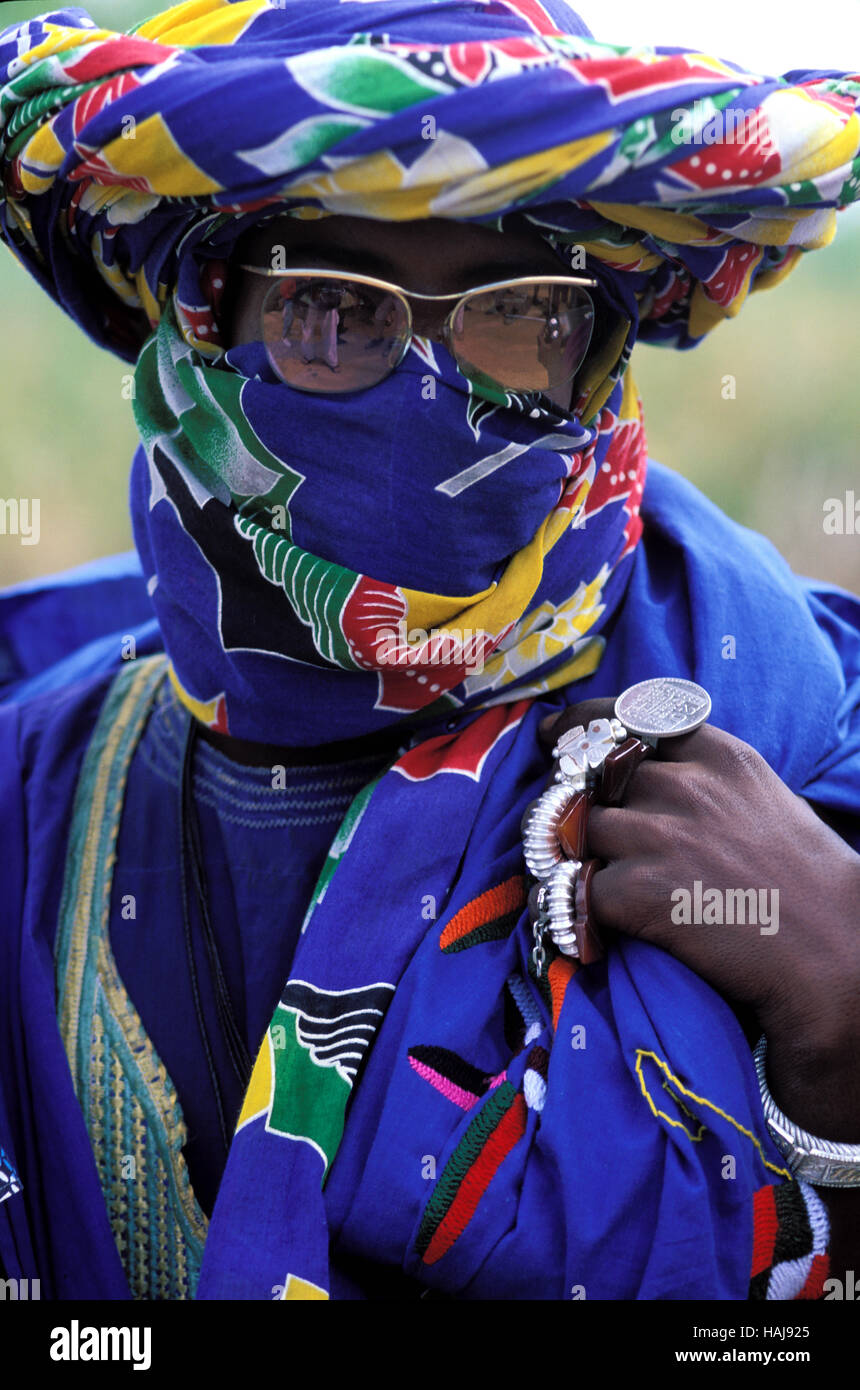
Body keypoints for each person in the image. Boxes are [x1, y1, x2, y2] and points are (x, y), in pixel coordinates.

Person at [0, 0, 858, 1303]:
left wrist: (844, 1009)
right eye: (329, 311)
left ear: (599, 361)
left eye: (522, 316)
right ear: (200, 326)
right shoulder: (31, 796)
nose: (432, 386)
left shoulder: (808, 746)